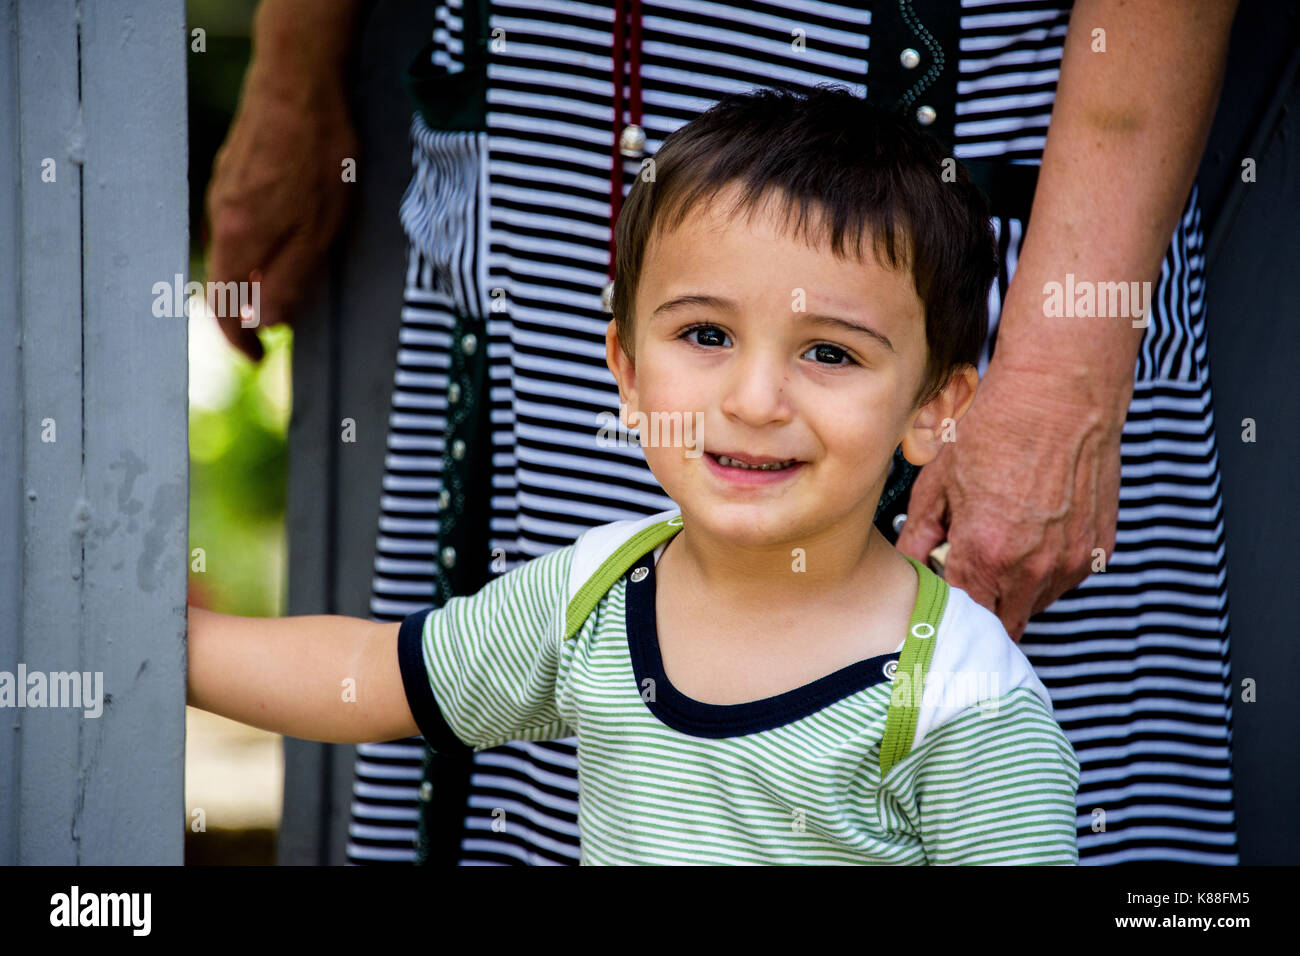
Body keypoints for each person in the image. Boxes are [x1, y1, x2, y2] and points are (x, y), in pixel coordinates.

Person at [205, 0, 1240, 865]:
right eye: (704, 333)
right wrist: (166, 646)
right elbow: (380, 677)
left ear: (938, 405)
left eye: (829, 352)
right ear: (621, 369)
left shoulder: (963, 698)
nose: (753, 399)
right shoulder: (594, 595)